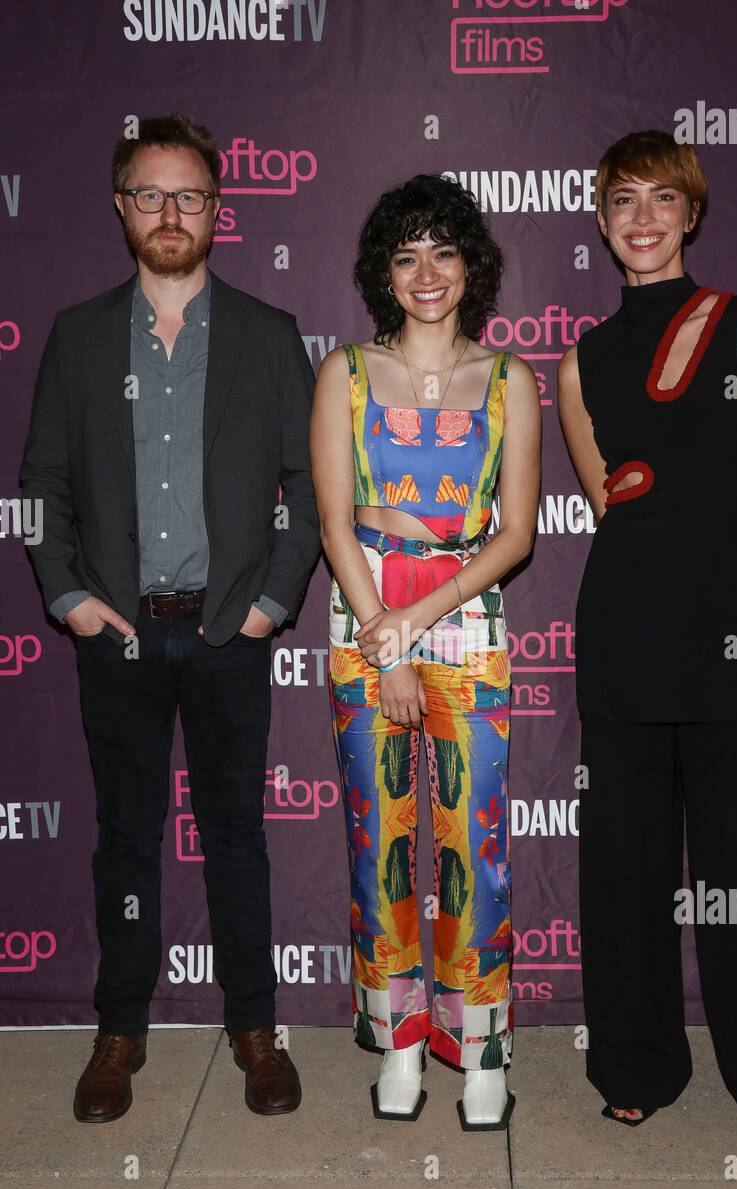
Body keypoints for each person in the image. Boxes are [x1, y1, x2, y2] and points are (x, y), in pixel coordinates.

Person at [20, 112, 321, 1122]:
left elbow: (313, 489)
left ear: (217, 210)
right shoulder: (77, 334)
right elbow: (41, 488)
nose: (169, 212)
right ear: (120, 207)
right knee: (125, 838)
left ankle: (254, 1026)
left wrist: (272, 605)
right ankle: (119, 1031)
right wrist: (70, 599)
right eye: (149, 194)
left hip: (230, 634)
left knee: (237, 837)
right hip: (121, 636)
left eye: (188, 195)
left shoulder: (271, 337)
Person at [558, 130, 737, 1158]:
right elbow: (606, 500)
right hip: (624, 633)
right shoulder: (580, 359)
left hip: (730, 638)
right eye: (622, 200)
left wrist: (727, 606)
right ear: (600, 221)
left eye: (661, 200)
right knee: (624, 865)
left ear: (690, 214)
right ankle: (636, 1062)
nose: (641, 217)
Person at [312, 174, 540, 1128]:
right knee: (382, 851)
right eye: (406, 256)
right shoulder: (346, 372)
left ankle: (480, 1052)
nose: (427, 273)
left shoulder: (512, 378)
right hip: (364, 622)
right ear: (384, 274)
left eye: (443, 251)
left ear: (471, 265)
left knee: (470, 847)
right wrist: (387, 644)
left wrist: (423, 620)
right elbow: (333, 521)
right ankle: (399, 1043)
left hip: (468, 618)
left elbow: (516, 533)